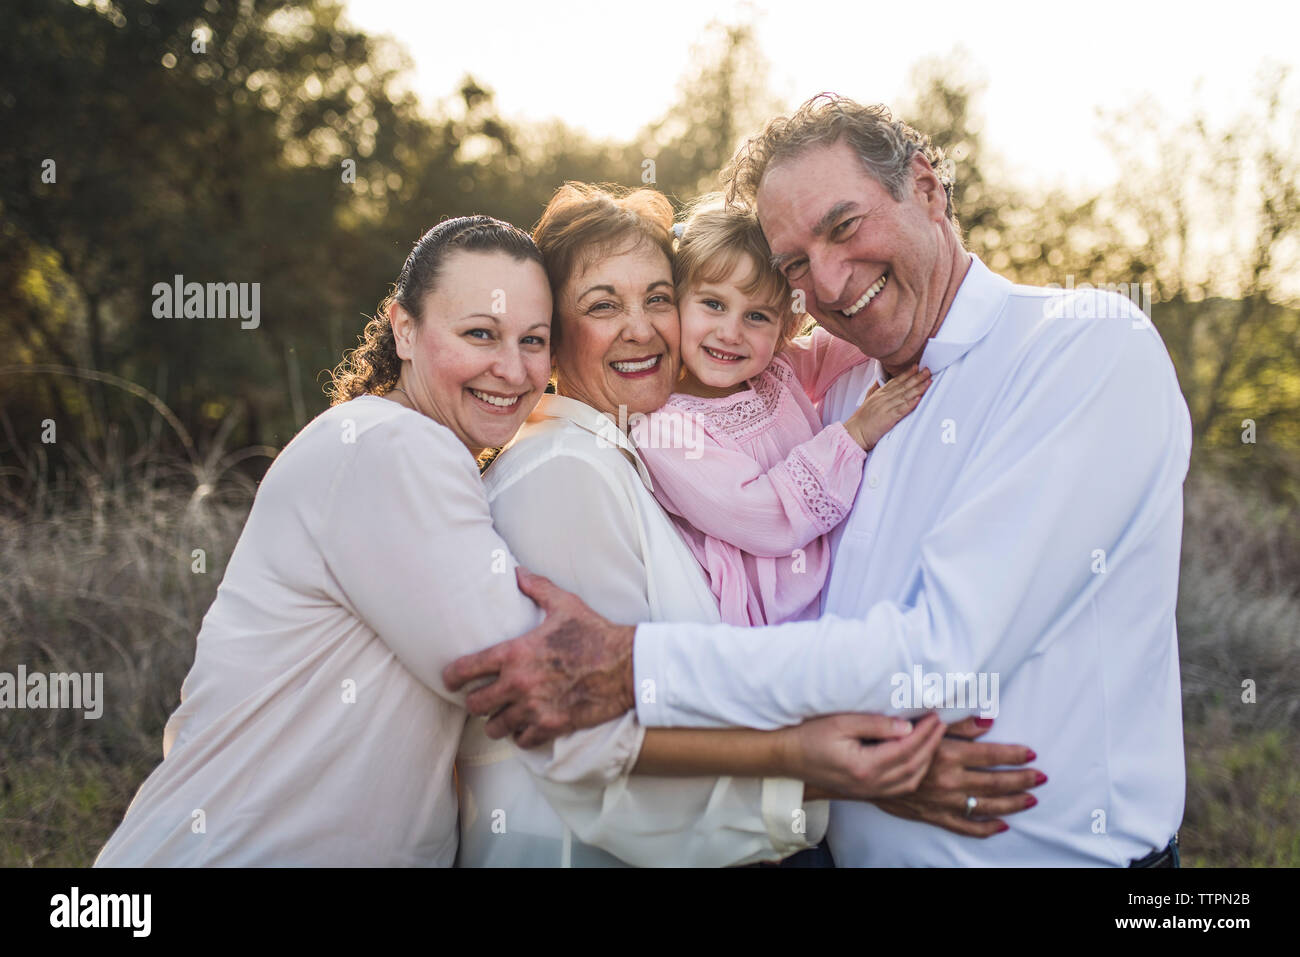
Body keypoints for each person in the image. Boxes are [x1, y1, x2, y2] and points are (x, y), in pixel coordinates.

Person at [445, 95, 1193, 867]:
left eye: (844, 226)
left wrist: (634, 666)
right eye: (797, 263)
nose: (830, 282)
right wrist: (833, 772)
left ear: (928, 187)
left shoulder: (1079, 350)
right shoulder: (829, 389)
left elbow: (942, 657)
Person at [92, 213, 956, 868]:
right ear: (402, 329)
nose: (510, 366)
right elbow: (560, 716)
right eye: (478, 334)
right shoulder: (398, 450)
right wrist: (809, 763)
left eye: (529, 339)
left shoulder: (485, 460)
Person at [457, 183, 994, 866]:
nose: (643, 328)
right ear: (553, 332)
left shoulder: (622, 446)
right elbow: (603, 743)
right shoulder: (569, 466)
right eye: (602, 305)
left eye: (656, 297)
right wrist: (829, 773)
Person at [629, 197, 930, 626]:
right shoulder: (666, 430)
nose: (731, 332)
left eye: (757, 316)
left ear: (784, 328)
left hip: (835, 593)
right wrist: (855, 435)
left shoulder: (775, 370)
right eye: (713, 304)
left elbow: (855, 340)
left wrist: (896, 293)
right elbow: (762, 515)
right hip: (765, 622)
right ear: (673, 304)